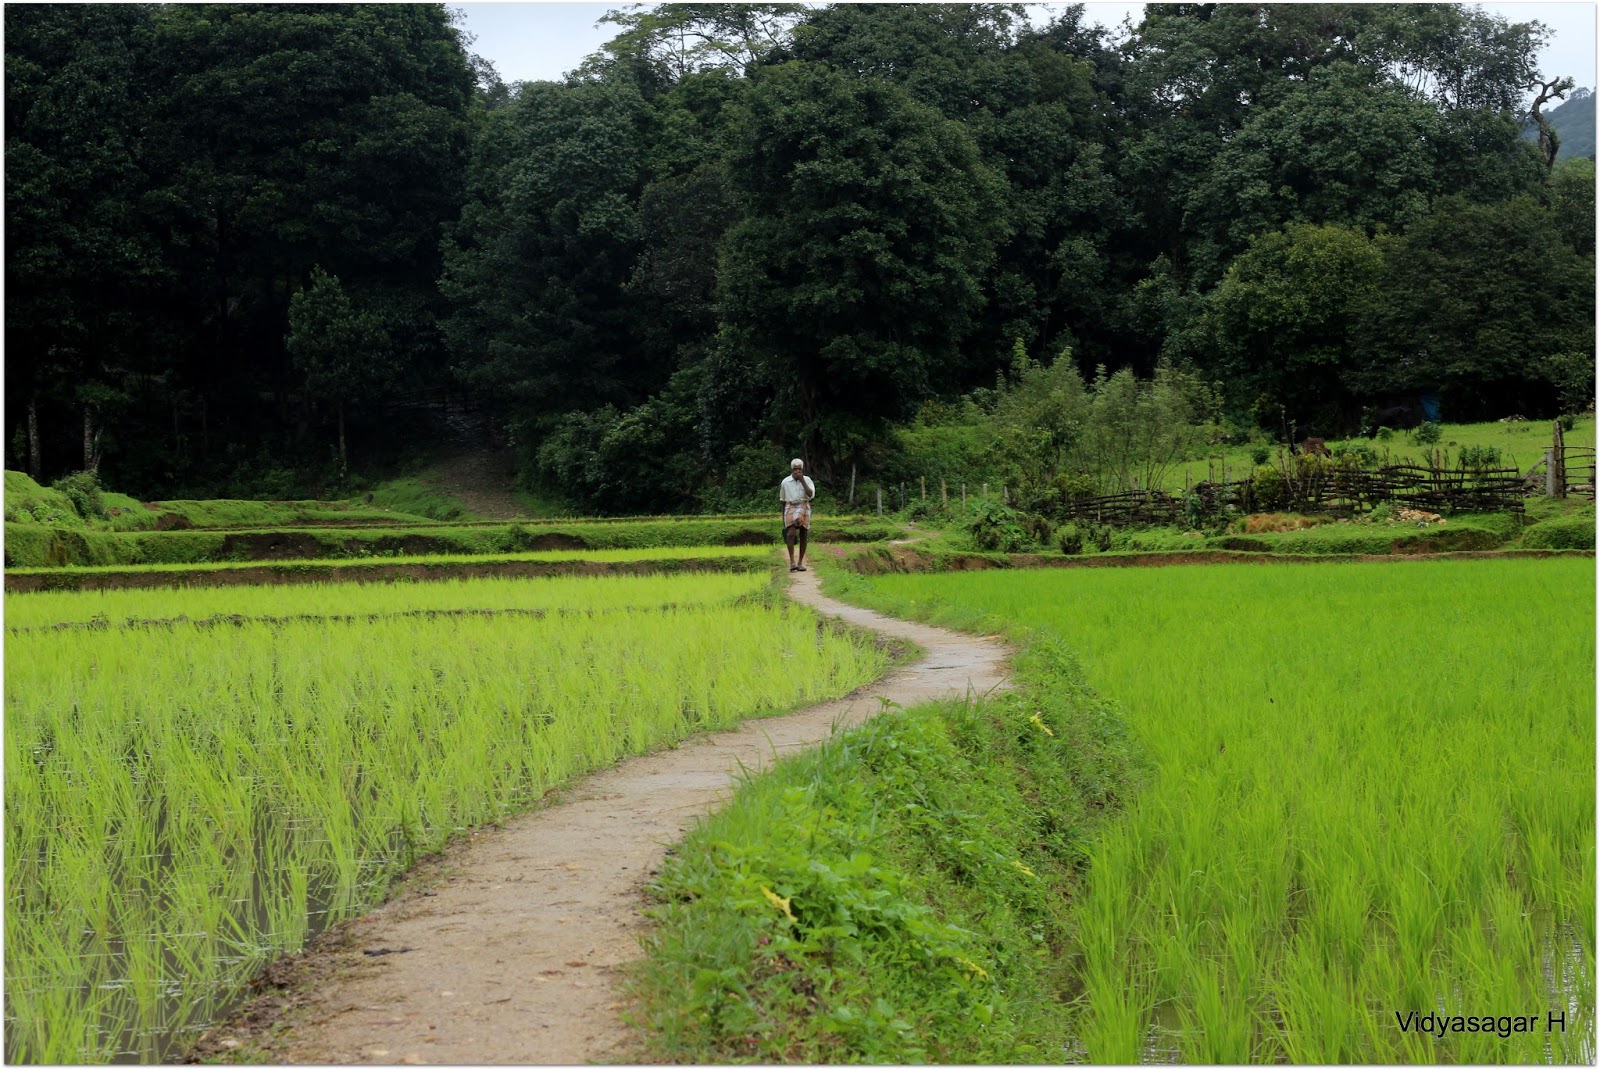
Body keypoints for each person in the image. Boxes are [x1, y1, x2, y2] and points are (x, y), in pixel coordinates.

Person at [779, 458, 815, 572]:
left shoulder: (808, 480)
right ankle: (792, 562)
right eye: (795, 469)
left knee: (804, 532)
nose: (797, 471)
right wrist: (783, 517)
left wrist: (802, 480)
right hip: (790, 506)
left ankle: (800, 562)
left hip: (803, 505)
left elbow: (810, 494)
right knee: (791, 533)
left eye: (799, 469)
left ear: (802, 470)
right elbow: (783, 500)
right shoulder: (785, 482)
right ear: (791, 469)